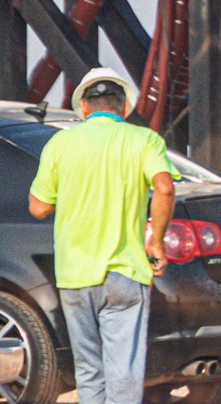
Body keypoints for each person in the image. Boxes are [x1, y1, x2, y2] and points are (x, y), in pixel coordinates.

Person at [26, 68, 174, 404]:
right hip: (125, 270)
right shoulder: (143, 140)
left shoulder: (60, 143)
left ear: (83, 107)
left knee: (89, 370)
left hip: (74, 275)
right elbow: (164, 188)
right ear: (123, 108)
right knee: (123, 372)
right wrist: (157, 242)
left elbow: (38, 207)